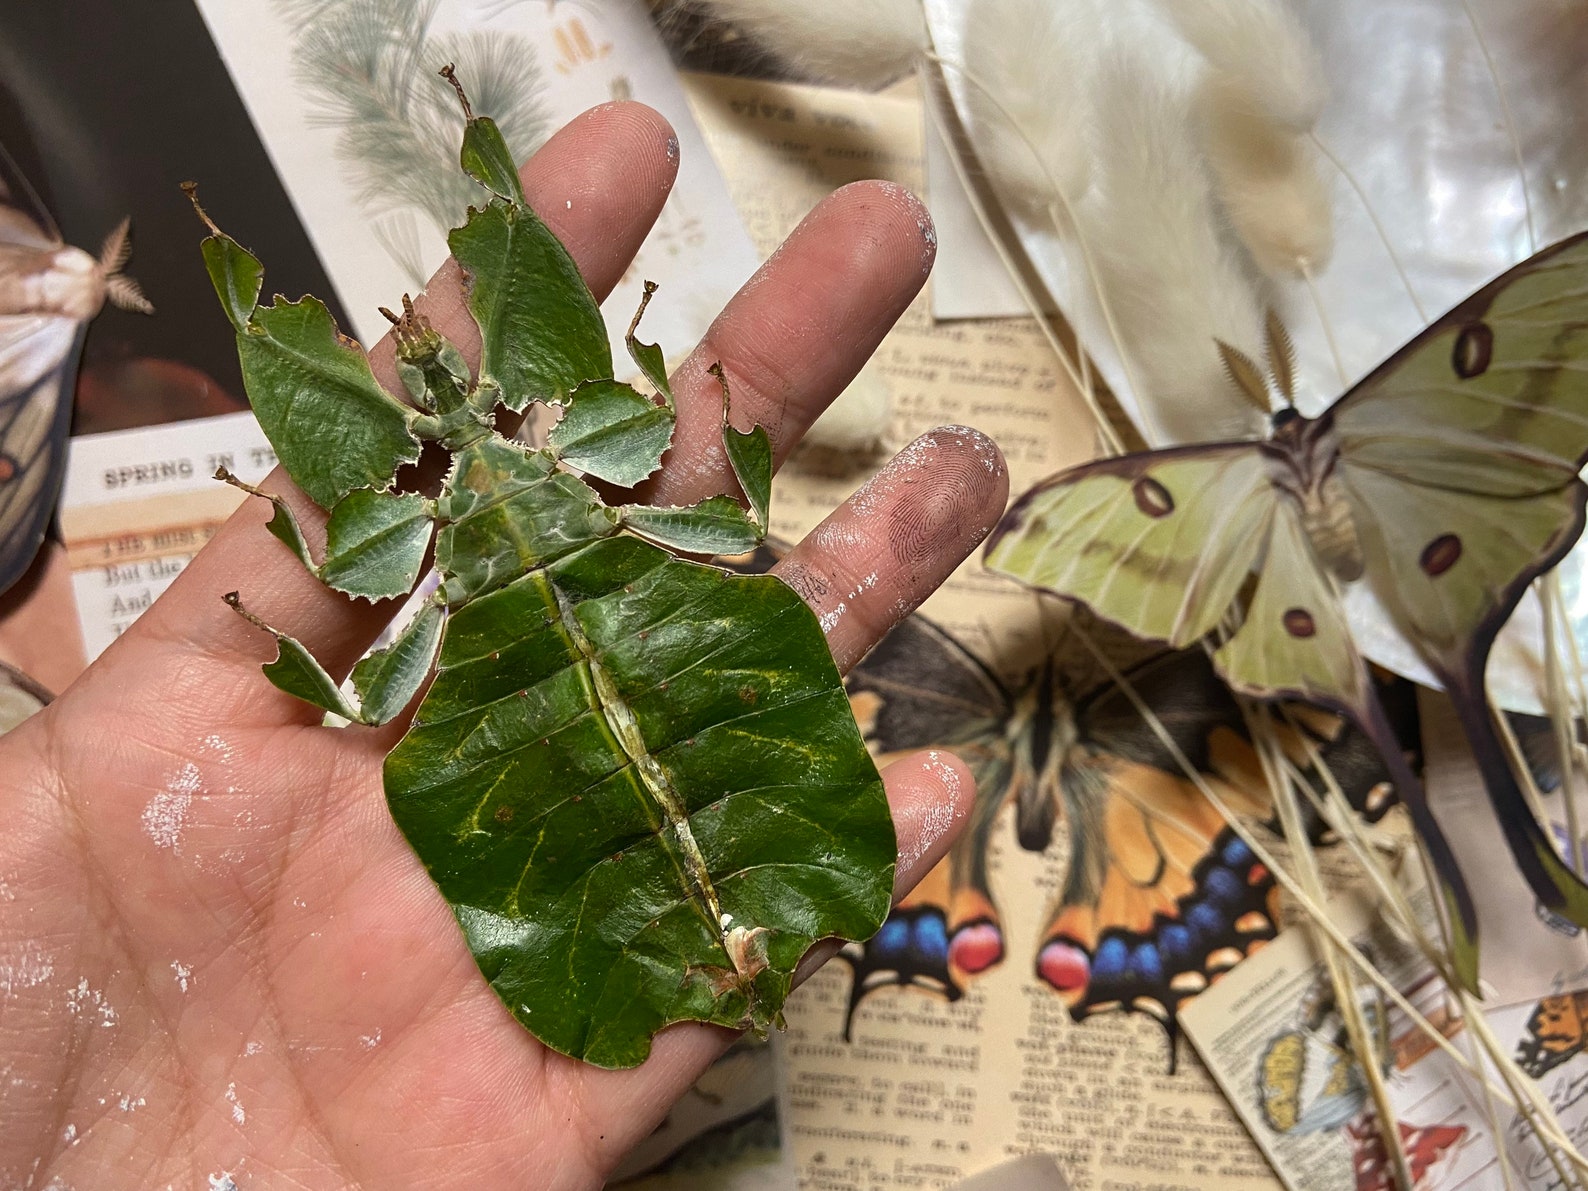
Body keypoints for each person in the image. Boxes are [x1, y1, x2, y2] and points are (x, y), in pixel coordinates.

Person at [0, 102, 1008, 1189]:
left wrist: (287, 519)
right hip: (614, 688)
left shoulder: (401, 532)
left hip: (598, 730)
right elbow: (713, 510)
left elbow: (362, 688)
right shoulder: (555, 452)